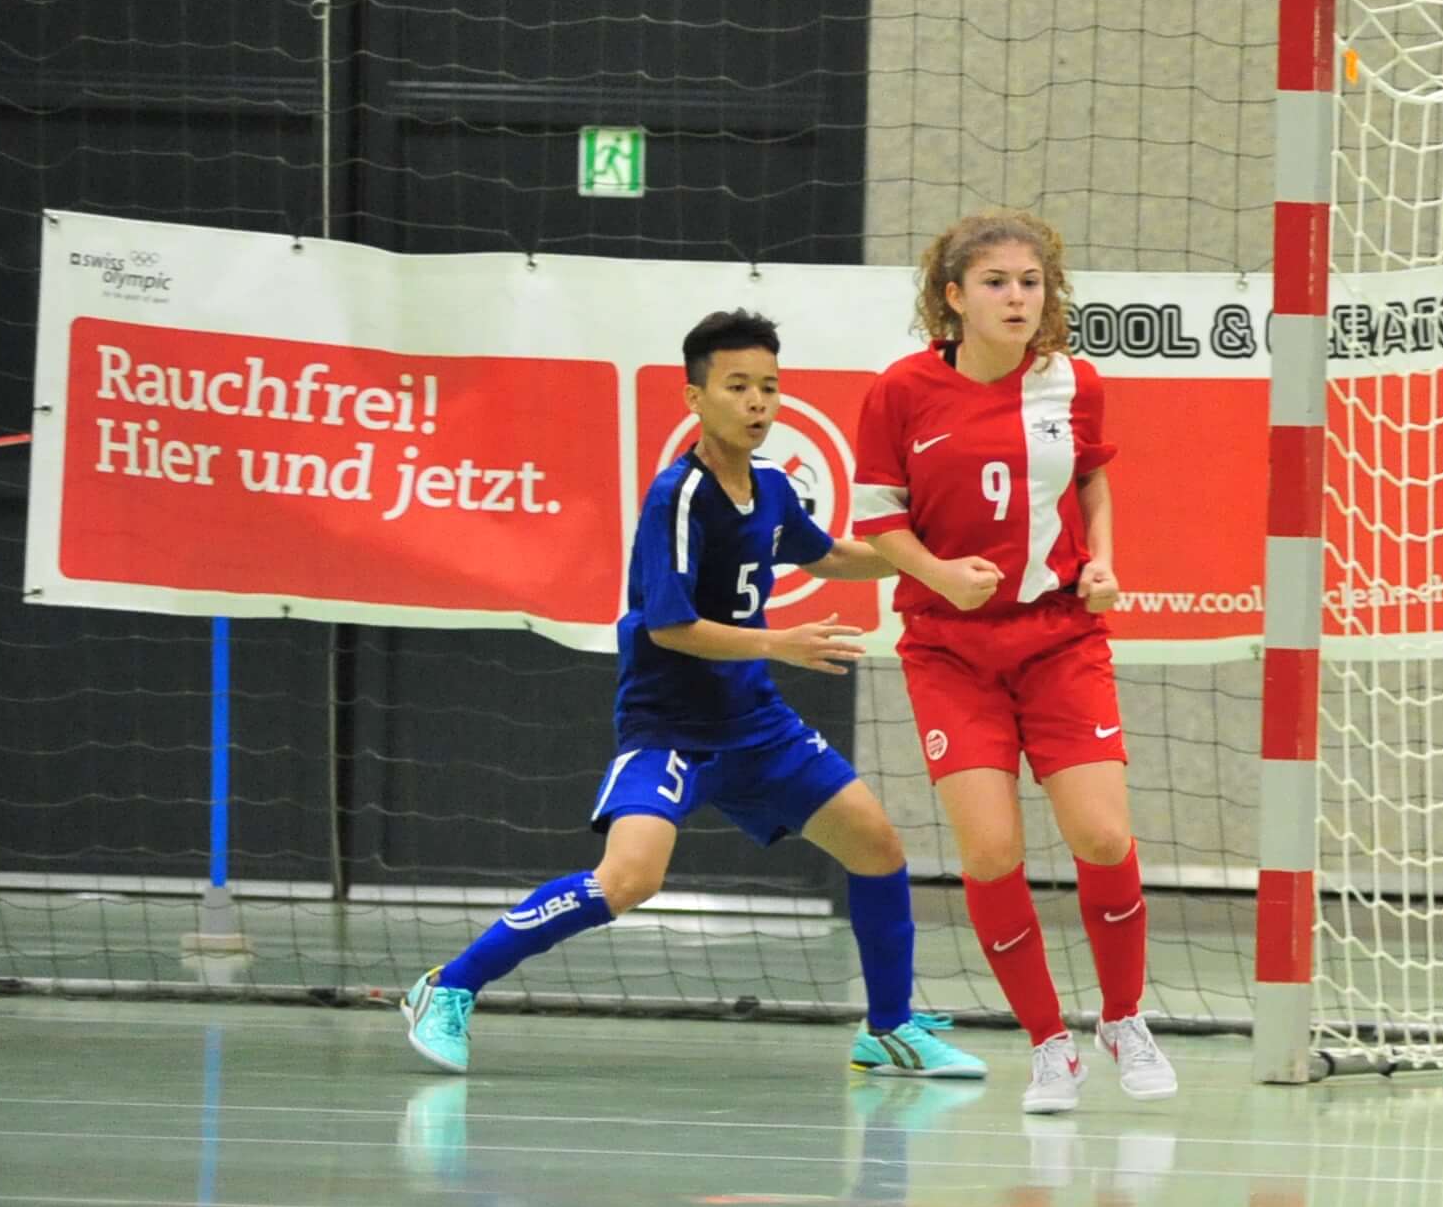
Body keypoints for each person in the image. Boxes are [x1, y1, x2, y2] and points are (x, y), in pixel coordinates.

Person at [398, 310, 981, 1083]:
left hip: (756, 723)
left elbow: (833, 554)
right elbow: (671, 627)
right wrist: (781, 642)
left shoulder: (771, 486)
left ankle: (889, 1029)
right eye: (738, 386)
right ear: (693, 398)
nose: (758, 403)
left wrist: (928, 557)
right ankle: (447, 987)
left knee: (877, 847)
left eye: (769, 387)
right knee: (629, 880)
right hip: (670, 726)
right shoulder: (679, 495)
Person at [853, 209, 1162, 1115]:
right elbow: (878, 520)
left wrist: (1101, 560)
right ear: (954, 300)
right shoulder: (901, 391)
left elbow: (1095, 477)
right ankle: (1047, 1045)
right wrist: (940, 574)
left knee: (1103, 836)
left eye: (1030, 282)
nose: (1018, 297)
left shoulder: (1073, 383)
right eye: (996, 283)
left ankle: (1123, 1019)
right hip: (950, 651)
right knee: (990, 852)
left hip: (1062, 637)